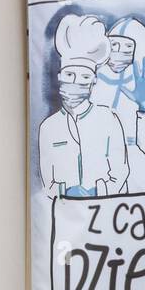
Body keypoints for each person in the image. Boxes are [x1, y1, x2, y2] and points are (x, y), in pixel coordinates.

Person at [38, 13, 129, 198]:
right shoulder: (49, 127)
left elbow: (120, 171)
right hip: (66, 213)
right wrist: (68, 192)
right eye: (70, 75)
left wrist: (95, 192)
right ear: (60, 77)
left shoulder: (108, 119)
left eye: (84, 77)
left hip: (107, 210)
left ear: (93, 81)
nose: (76, 82)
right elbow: (47, 182)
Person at [94, 16, 145, 192]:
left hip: (138, 168)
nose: (119, 51)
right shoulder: (93, 84)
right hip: (99, 164)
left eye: (127, 47)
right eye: (115, 45)